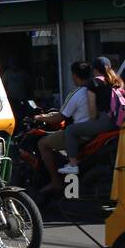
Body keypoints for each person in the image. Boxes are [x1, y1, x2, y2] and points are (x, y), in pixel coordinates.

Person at [36, 61, 93, 193]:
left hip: (80, 135)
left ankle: (55, 181)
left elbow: (59, 117)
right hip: (93, 131)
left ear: (74, 75)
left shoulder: (77, 93)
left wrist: (41, 118)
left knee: (42, 143)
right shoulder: (95, 89)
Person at [59, 56, 123, 175]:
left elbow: (92, 113)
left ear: (94, 70)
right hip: (117, 121)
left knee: (70, 130)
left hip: (105, 121)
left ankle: (73, 165)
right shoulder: (114, 80)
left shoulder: (94, 83)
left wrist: (92, 120)